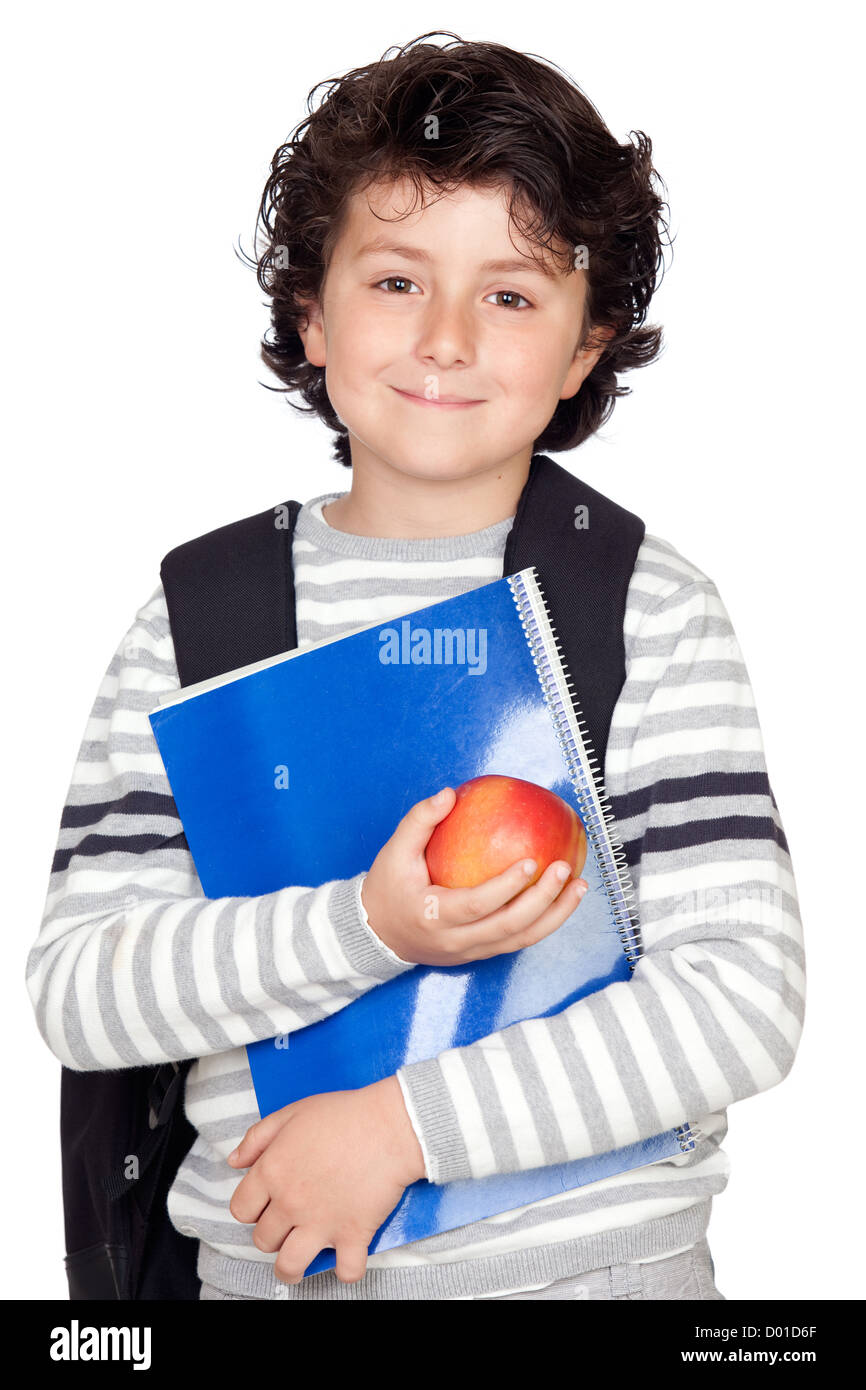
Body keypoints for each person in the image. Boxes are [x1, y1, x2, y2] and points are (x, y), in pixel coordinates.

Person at [25, 31, 804, 1301]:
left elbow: (739, 995)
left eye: (508, 294)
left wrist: (401, 1129)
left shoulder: (641, 610)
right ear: (309, 315)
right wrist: (364, 926)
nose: (444, 337)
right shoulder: (198, 620)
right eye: (394, 281)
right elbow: (83, 993)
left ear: (583, 346)